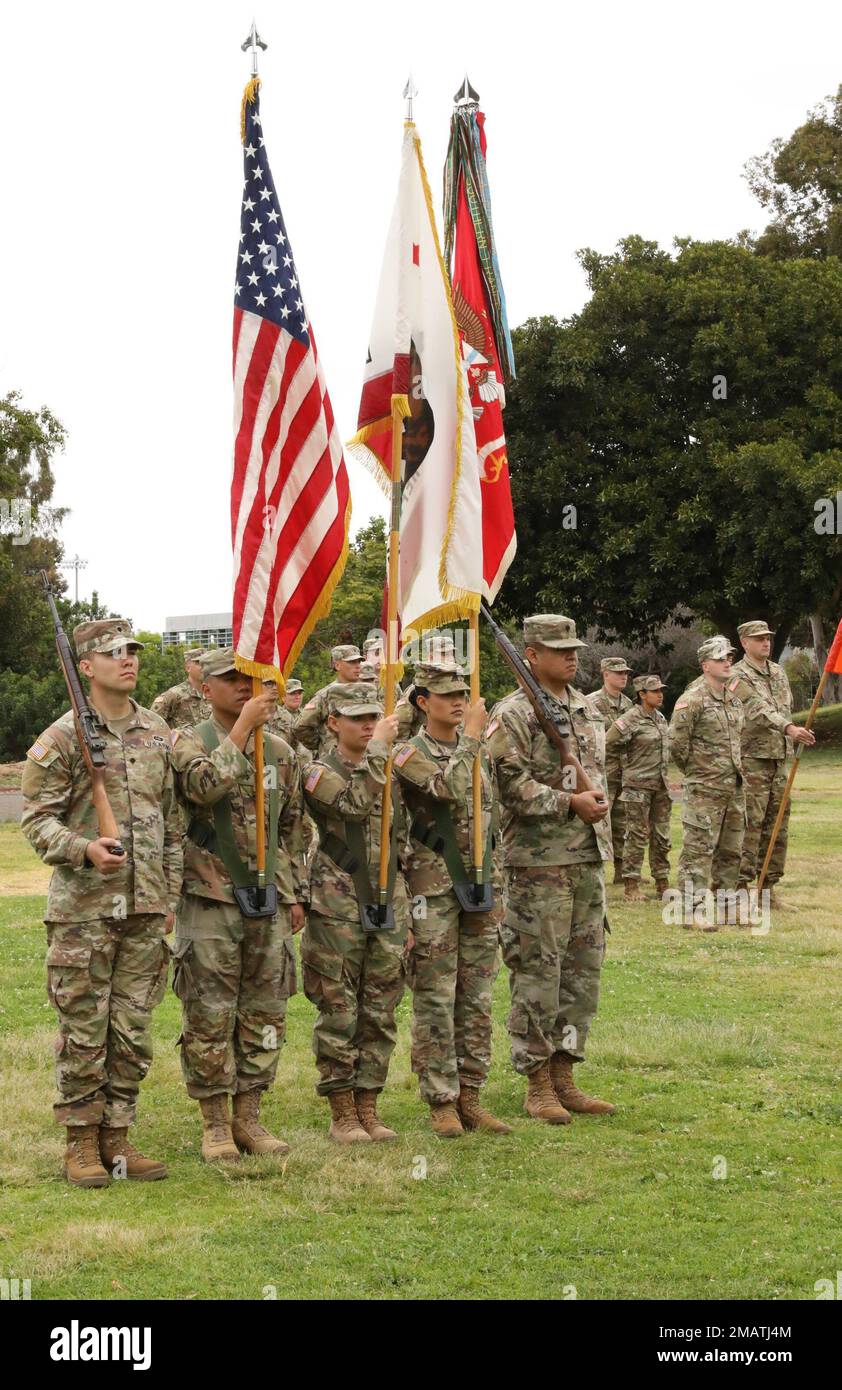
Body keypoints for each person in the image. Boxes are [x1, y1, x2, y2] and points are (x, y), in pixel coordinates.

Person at [21, 619, 182, 1187]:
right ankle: (81, 1145)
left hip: (144, 908)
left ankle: (118, 1140)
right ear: (85, 667)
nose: (128, 660)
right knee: (85, 1030)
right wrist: (84, 848)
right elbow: (35, 821)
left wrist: (170, 894)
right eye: (114, 653)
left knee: (132, 1029)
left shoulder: (158, 731)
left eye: (132, 651)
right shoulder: (62, 737)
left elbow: (173, 822)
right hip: (85, 913)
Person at [169, 648, 307, 1161]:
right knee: (209, 1014)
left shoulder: (281, 752)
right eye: (230, 680)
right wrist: (241, 732)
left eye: (249, 679)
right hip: (210, 900)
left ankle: (249, 1116)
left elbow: (291, 829)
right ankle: (215, 1123)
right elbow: (203, 789)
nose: (243, 688)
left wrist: (293, 894)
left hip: (267, 901)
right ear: (205, 689)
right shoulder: (187, 743)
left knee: (265, 1010)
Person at [487, 614, 615, 1124]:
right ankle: (536, 1082)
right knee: (539, 972)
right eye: (558, 648)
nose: (572, 655)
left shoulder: (586, 708)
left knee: (582, 975)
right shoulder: (513, 714)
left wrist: (594, 811)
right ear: (530, 654)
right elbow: (511, 788)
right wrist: (569, 803)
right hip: (538, 864)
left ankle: (565, 1072)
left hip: (586, 857)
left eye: (574, 647)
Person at [393, 665, 510, 1138]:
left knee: (477, 996)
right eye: (446, 695)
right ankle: (441, 1099)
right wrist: (475, 739)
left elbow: (492, 813)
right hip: (433, 888)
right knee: (436, 997)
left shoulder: (477, 750)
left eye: (463, 693)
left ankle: (472, 1094)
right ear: (423, 702)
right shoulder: (407, 753)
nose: (458, 702)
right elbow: (449, 790)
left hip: (481, 885)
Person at [302, 684, 410, 1143]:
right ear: (333, 723)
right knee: (339, 1006)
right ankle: (342, 1109)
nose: (368, 726)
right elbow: (353, 803)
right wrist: (381, 752)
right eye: (356, 718)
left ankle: (369, 1103)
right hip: (338, 901)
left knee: (381, 1006)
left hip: (390, 898)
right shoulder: (317, 772)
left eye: (373, 718)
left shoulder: (391, 764)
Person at [730, 620, 815, 908]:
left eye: (767, 638)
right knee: (749, 825)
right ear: (744, 643)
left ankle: (767, 891)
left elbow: (785, 707)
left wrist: (792, 733)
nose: (766, 643)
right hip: (752, 759)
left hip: (779, 758)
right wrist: (789, 728)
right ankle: (740, 890)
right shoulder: (736, 675)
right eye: (759, 639)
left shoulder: (778, 672)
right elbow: (756, 710)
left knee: (777, 826)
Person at [670, 636, 745, 928]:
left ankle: (727, 908)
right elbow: (676, 744)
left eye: (728, 657)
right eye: (719, 658)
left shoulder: (733, 699)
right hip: (703, 789)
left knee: (730, 850)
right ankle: (691, 911)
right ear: (705, 665)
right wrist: (698, 772)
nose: (727, 662)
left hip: (733, 788)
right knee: (698, 851)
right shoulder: (693, 699)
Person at [605, 675, 672, 902]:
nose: (659, 694)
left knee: (661, 836)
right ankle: (631, 884)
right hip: (637, 786)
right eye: (654, 691)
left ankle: (662, 882)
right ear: (642, 694)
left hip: (660, 785)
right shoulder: (630, 718)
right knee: (636, 835)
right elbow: (608, 742)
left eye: (660, 690)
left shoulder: (661, 718)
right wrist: (624, 764)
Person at [587, 658, 634, 885]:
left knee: (622, 823)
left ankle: (621, 871)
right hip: (602, 772)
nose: (623, 677)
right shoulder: (591, 703)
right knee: (599, 822)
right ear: (606, 674)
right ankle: (594, 871)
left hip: (625, 771)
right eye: (618, 673)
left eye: (625, 673)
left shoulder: (628, 704)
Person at [296, 644, 364, 757]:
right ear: (337, 665)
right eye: (352, 662)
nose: (357, 666)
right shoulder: (327, 694)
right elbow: (301, 726)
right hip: (335, 762)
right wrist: (323, 743)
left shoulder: (366, 692)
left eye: (359, 662)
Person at [151, 647, 211, 729]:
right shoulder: (174, 695)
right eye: (198, 663)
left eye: (206, 663)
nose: (203, 667)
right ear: (187, 667)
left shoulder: (213, 694)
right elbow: (152, 724)